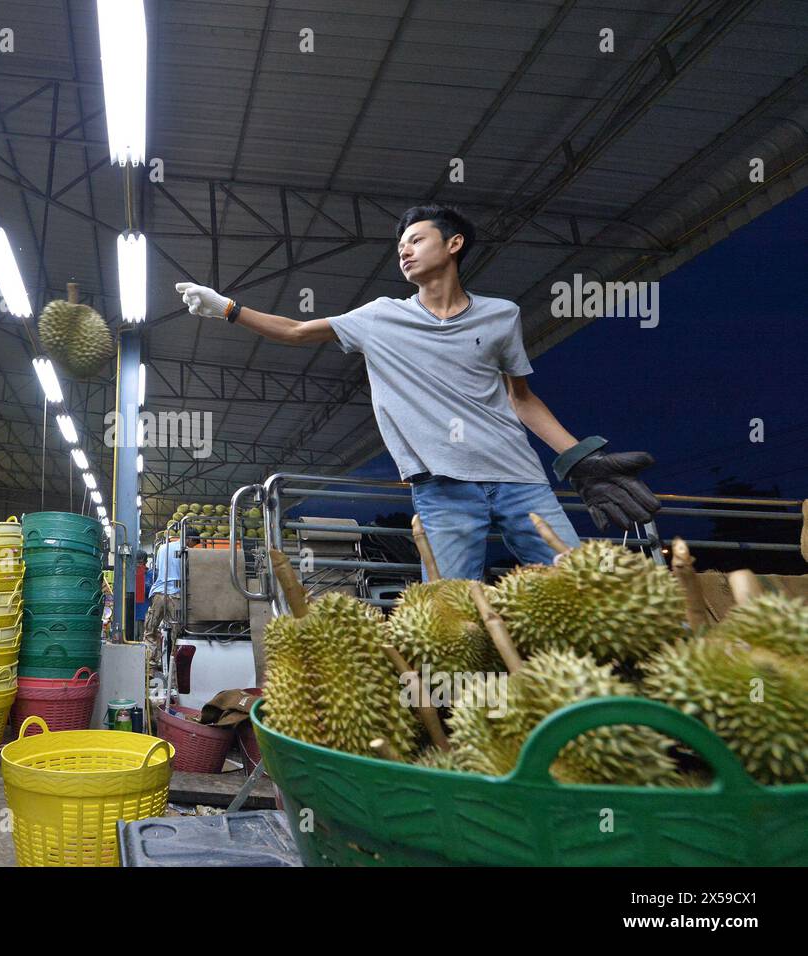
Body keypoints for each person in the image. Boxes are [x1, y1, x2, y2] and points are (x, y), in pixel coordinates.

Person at [176, 204, 660, 581]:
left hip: (520, 480)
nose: (403, 251)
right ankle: (460, 705)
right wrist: (228, 308)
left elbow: (522, 399)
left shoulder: (501, 315)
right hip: (442, 489)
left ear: (454, 244)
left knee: (580, 584)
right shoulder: (379, 317)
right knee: (449, 615)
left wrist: (578, 459)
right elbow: (296, 330)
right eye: (400, 245)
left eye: (415, 240)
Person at [141, 528, 183, 669]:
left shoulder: (163, 548)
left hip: (158, 592)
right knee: (177, 635)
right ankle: (174, 671)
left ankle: (150, 667)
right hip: (176, 595)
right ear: (190, 539)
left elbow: (158, 569)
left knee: (150, 631)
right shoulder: (187, 550)